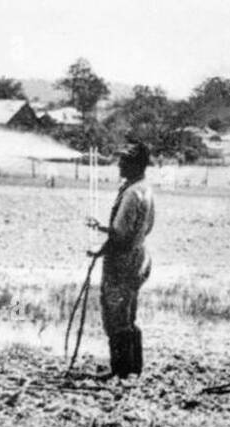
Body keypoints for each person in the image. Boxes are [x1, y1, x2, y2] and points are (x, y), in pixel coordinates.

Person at [85, 142, 155, 378]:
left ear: (136, 164)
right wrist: (104, 228)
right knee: (128, 313)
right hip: (138, 257)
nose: (120, 164)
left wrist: (99, 251)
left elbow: (120, 235)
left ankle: (121, 371)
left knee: (115, 316)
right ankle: (133, 368)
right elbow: (144, 228)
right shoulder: (145, 189)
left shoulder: (131, 193)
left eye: (125, 160)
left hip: (122, 261)